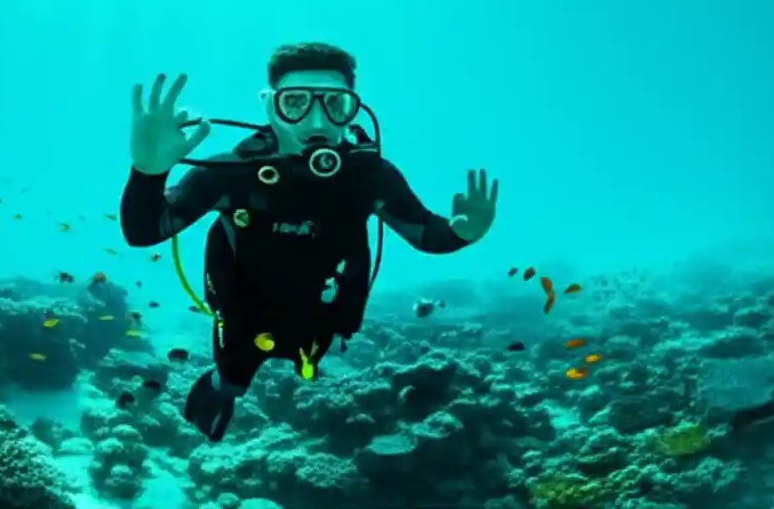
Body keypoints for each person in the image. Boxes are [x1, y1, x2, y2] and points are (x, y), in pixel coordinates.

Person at [119, 42, 497, 441]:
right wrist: (148, 172)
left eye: (335, 104)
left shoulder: (369, 177)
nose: (316, 120)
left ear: (353, 109)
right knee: (233, 376)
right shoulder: (232, 172)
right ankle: (220, 389)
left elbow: (424, 233)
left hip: (322, 313)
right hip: (241, 312)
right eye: (295, 102)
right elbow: (144, 231)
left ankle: (296, 364)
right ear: (269, 107)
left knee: (309, 360)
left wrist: (461, 233)